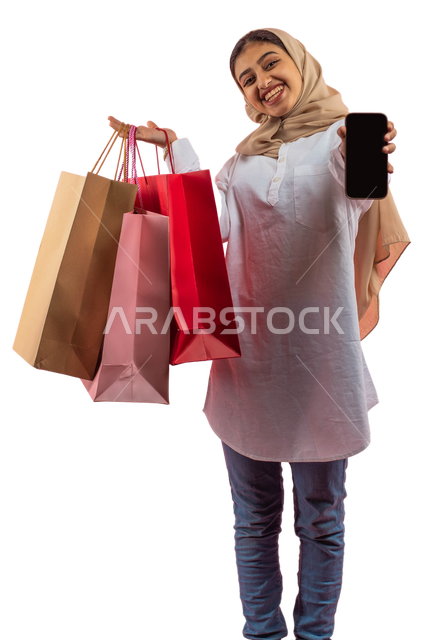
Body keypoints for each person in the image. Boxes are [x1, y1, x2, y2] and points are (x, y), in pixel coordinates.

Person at [107, 26, 411, 640]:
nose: (262, 82)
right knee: (253, 520)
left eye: (271, 65)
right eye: (248, 79)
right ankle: (263, 635)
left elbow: (363, 193)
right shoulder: (241, 161)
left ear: (301, 65)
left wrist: (370, 143)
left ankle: (316, 634)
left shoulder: (341, 138)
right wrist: (176, 146)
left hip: (322, 362)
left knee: (321, 521)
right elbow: (209, 220)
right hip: (250, 362)